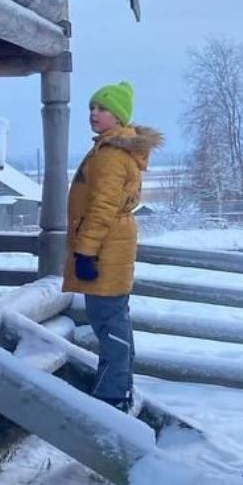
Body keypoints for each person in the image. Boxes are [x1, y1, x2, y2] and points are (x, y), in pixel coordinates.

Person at [65, 82, 163, 410]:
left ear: (118, 116)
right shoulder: (115, 150)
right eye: (91, 107)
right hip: (113, 245)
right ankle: (118, 388)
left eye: (102, 108)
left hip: (105, 249)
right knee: (114, 319)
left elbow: (102, 207)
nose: (93, 114)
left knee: (108, 321)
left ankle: (112, 395)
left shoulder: (110, 155)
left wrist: (85, 251)